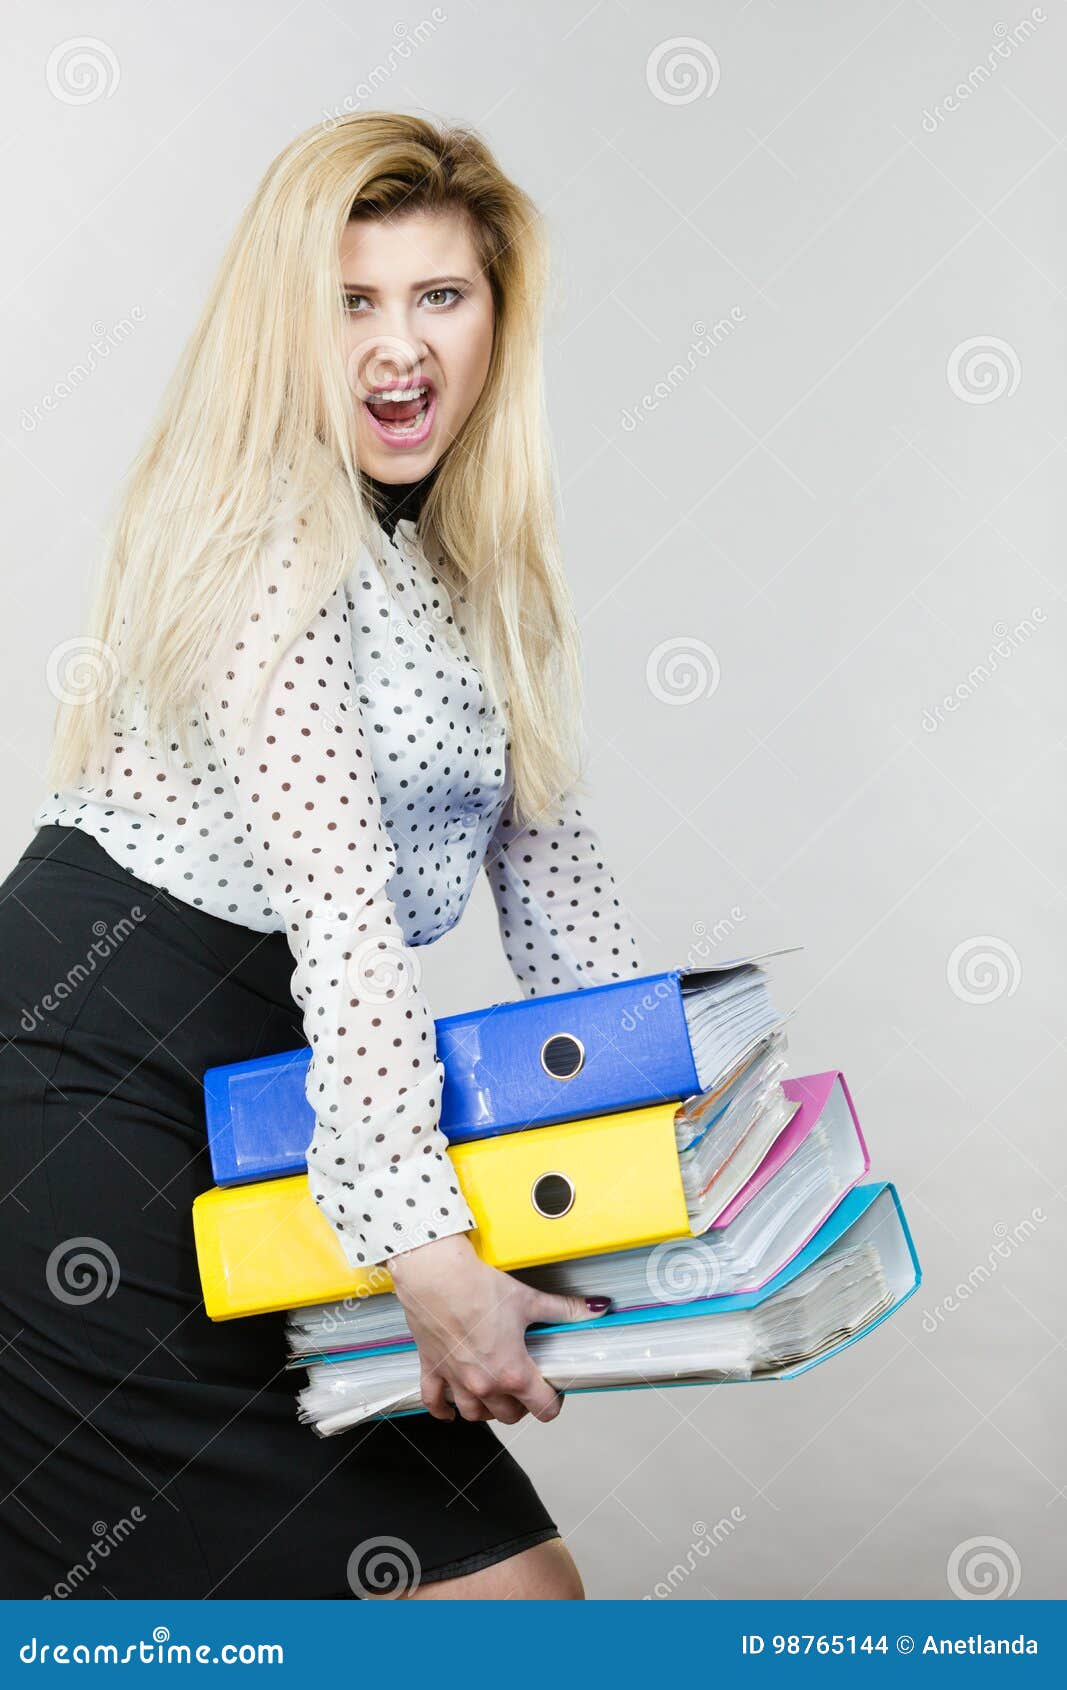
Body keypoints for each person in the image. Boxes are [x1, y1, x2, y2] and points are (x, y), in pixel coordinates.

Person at [0, 112, 644, 1600]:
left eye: (440, 296)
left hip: (267, 1126)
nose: (395, 347)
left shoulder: (479, 572)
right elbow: (344, 918)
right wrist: (425, 1253)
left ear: (495, 320)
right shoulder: (274, 535)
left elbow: (572, 926)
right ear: (288, 325)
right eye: (350, 301)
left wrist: (656, 1177)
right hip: (79, 1084)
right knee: (509, 1607)